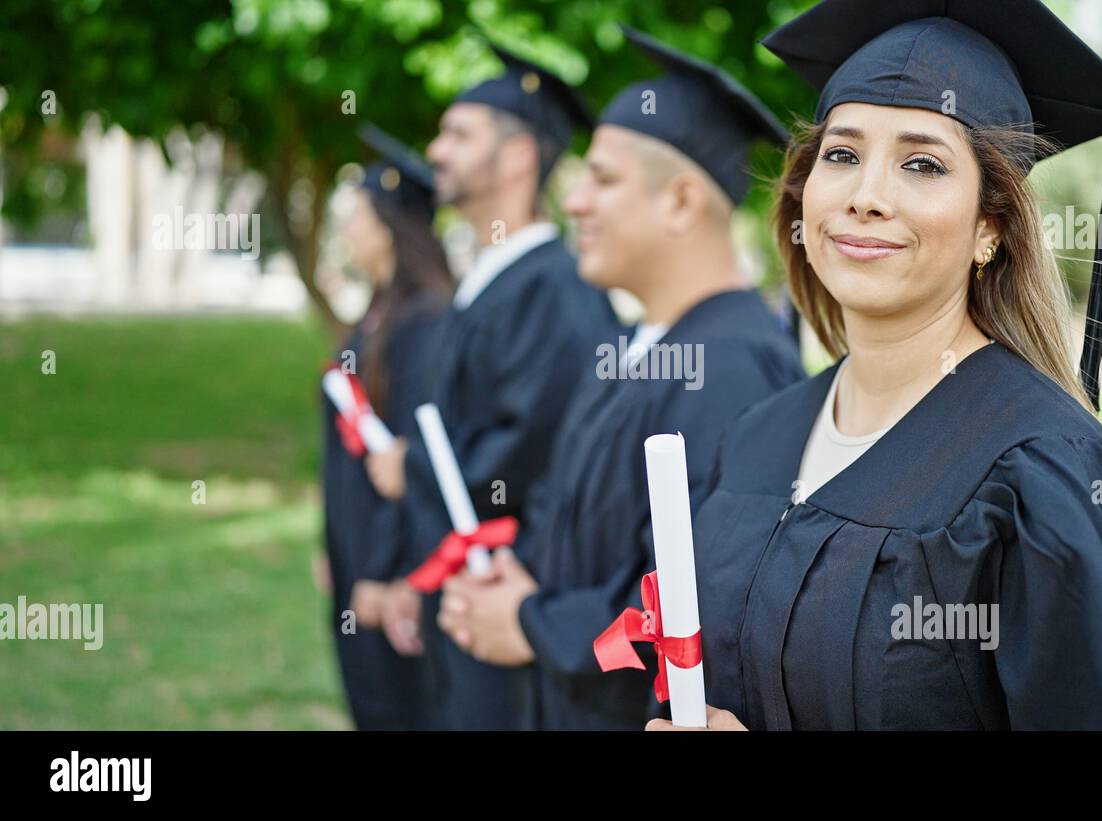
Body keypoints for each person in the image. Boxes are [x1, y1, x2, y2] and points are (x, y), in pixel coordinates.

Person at [648, 0, 1102, 731]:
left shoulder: (1048, 479)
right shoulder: (757, 434)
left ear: (991, 225)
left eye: (922, 164)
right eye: (842, 154)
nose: (867, 197)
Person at [434, 27, 807, 730]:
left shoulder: (730, 369)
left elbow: (698, 610)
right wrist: (517, 577)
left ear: (680, 201)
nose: (573, 203)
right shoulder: (638, 345)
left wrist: (532, 622)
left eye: (602, 180)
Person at [364, 41, 617, 730]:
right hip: (466, 590)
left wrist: (407, 465)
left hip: (517, 596)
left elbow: (529, 453)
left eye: (459, 134)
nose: (436, 151)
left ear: (516, 158)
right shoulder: (494, 282)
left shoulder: (554, 294)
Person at [321, 128, 452, 730]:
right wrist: (334, 550)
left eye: (360, 217)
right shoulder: (374, 319)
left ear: (392, 226)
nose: (349, 231)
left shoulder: (424, 324)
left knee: (397, 712)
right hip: (356, 558)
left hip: (391, 571)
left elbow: (413, 459)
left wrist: (386, 572)